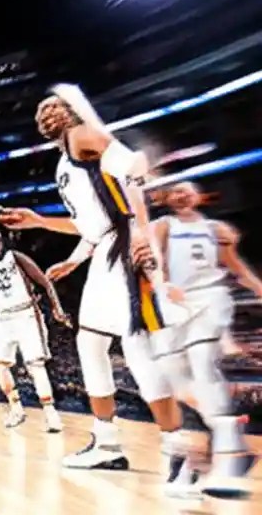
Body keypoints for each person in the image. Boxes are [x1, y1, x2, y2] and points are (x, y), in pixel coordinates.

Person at [0, 85, 190, 487]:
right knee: (90, 342)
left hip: (124, 246)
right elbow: (89, 226)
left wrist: (140, 229)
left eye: (50, 109)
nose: (44, 117)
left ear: (67, 113)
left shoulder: (82, 134)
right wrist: (46, 229)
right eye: (40, 113)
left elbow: (130, 165)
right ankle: (107, 443)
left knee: (138, 349)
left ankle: (178, 452)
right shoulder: (63, 161)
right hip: (104, 250)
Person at [150, 180, 259, 498]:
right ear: (167, 199)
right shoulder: (162, 225)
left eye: (188, 189)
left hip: (210, 301)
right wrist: (162, 282)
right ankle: (229, 434)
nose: (182, 194)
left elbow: (236, 267)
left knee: (204, 366)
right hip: (174, 305)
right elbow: (153, 261)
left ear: (199, 195)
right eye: (175, 191)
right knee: (176, 382)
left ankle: (227, 463)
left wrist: (258, 288)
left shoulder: (217, 229)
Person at [0, 228, 69, 432]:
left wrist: (58, 308)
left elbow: (45, 282)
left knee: (35, 365)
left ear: (0, 240)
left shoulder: (16, 258)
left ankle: (51, 413)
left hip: (25, 314)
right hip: (1, 318)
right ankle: (16, 408)